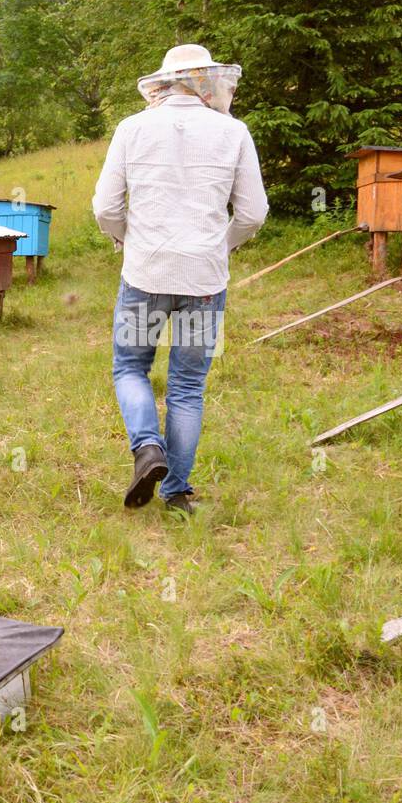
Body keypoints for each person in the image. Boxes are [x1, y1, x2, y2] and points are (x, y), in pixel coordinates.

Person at [92, 44, 269, 515]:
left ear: (164, 82)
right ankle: (177, 493)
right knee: (188, 387)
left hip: (144, 274)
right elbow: (253, 214)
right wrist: (221, 244)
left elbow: (106, 208)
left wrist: (128, 241)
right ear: (207, 80)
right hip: (205, 281)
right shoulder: (233, 132)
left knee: (131, 367)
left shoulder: (131, 128)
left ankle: (148, 449)